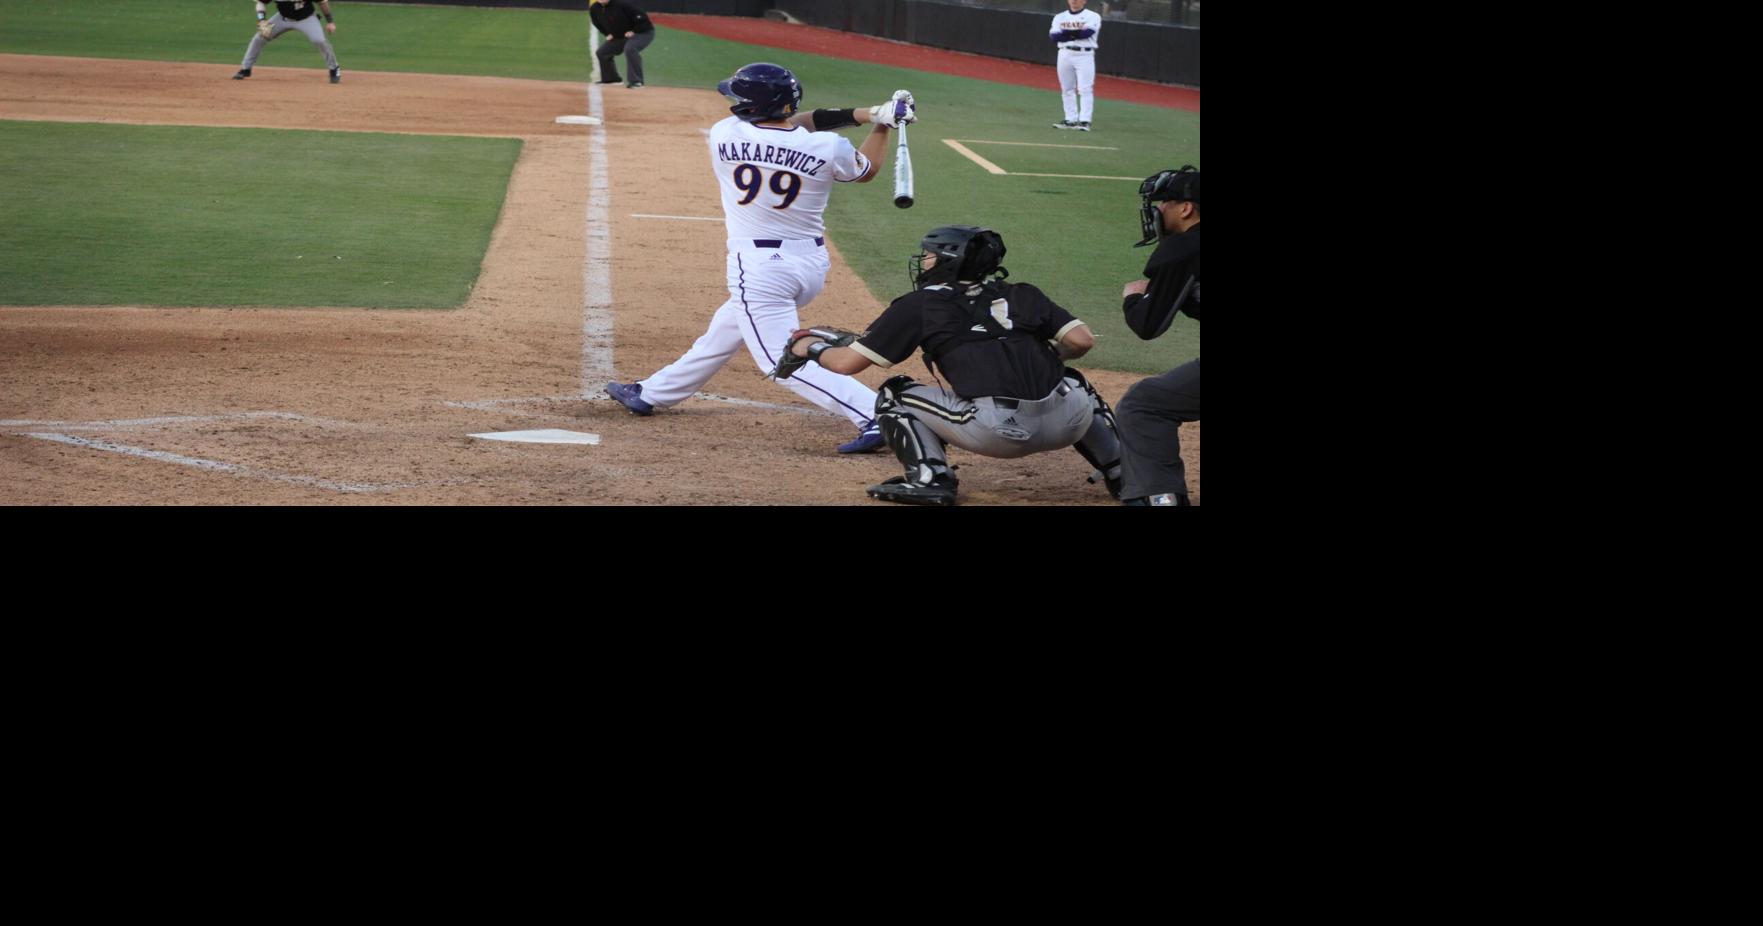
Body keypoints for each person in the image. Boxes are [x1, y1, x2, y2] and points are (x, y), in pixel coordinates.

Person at [604, 63, 916, 454]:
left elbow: (794, 123)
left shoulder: (723, 134)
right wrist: (879, 121)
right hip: (809, 266)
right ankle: (653, 393)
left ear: (749, 108)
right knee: (726, 328)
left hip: (760, 269)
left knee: (780, 362)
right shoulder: (827, 148)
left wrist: (870, 113)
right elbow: (865, 169)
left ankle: (876, 414)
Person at [774, 225, 1125, 506]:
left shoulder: (919, 304)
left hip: (999, 432)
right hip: (1071, 421)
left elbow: (847, 363)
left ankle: (931, 480)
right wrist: (1049, 358)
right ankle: (1125, 472)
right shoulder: (1021, 293)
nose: (923, 261)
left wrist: (809, 346)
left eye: (928, 255)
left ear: (947, 261)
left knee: (894, 394)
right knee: (1071, 381)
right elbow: (1081, 341)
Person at [1116, 166, 1200, 506]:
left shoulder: (1184, 248)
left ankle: (1159, 498)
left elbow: (1149, 325)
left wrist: (1134, 298)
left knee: (1143, 405)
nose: (1156, 210)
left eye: (1163, 202)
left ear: (1185, 208)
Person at [233, 1, 340, 84]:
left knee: (319, 40)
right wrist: (262, 20)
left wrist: (330, 21)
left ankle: (334, 68)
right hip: (282, 19)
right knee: (259, 37)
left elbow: (322, 2)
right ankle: (245, 68)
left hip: (306, 19)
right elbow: (260, 2)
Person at [1049, 0, 1102, 131]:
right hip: (1064, 54)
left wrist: (1066, 34)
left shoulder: (1093, 16)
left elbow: (1087, 33)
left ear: (1084, 1)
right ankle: (1070, 119)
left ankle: (1085, 121)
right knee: (1067, 88)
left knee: (1085, 88)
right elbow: (1054, 36)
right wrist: (1076, 33)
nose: (1074, 1)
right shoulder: (1059, 17)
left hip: (1084, 54)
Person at [589, 0, 655, 89]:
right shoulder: (594, 8)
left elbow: (642, 17)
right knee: (602, 52)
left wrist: (634, 31)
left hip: (642, 32)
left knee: (630, 48)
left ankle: (636, 81)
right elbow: (596, 22)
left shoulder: (623, 4)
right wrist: (607, 33)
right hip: (620, 35)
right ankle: (612, 79)